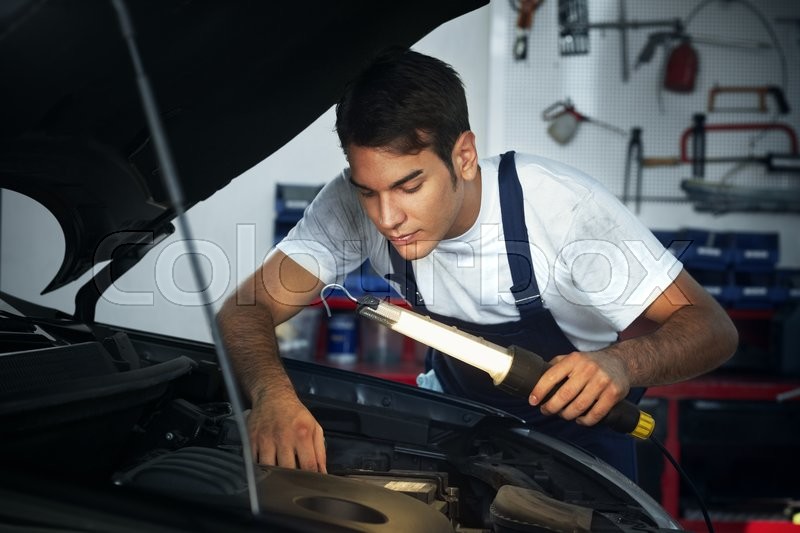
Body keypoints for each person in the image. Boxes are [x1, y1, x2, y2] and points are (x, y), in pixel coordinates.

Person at [216, 48, 738, 479]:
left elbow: (712, 329)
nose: (387, 217)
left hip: (579, 443)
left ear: (463, 156)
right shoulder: (350, 205)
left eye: (410, 185)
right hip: (457, 421)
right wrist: (272, 395)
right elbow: (245, 308)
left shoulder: (561, 211)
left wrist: (621, 364)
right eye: (368, 192)